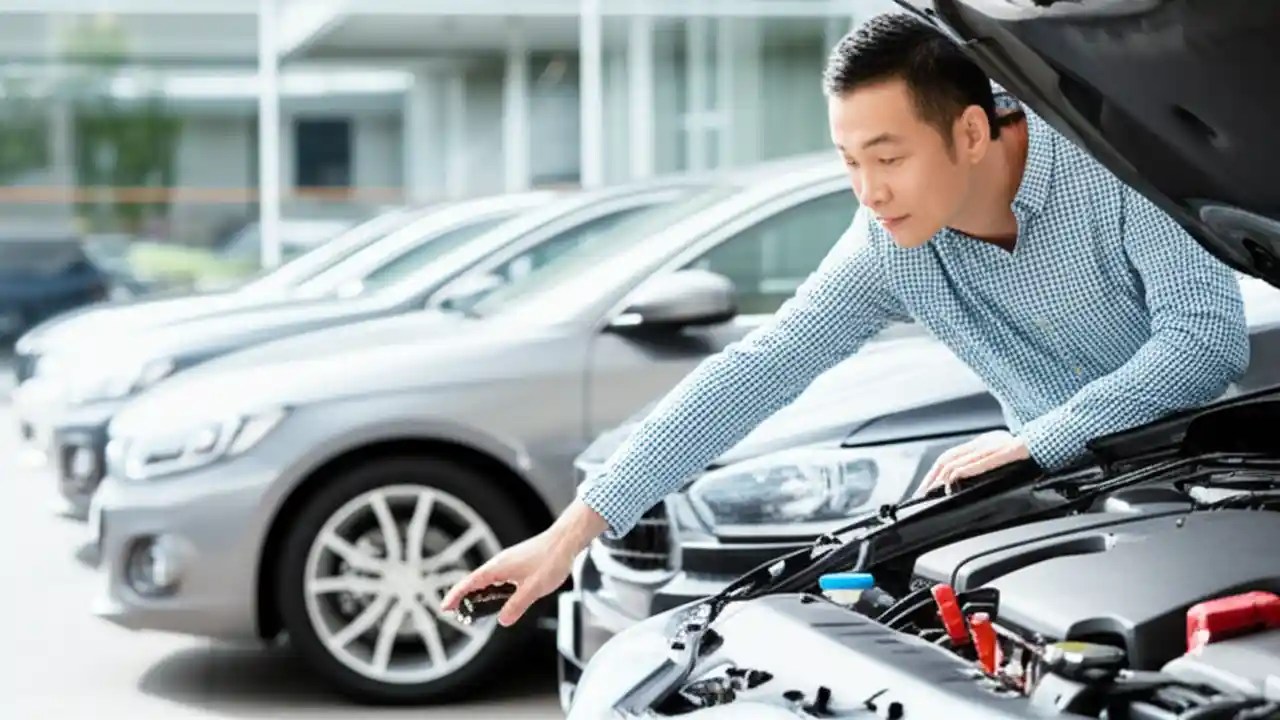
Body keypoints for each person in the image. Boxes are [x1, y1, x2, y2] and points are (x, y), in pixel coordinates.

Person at [442, 12, 1249, 627]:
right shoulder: (889, 247)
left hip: (1212, 499)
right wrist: (568, 535)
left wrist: (1036, 439)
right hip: (1065, 509)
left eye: (889, 158)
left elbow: (1205, 341)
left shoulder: (1107, 167)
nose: (869, 191)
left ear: (971, 131)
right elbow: (758, 369)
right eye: (850, 162)